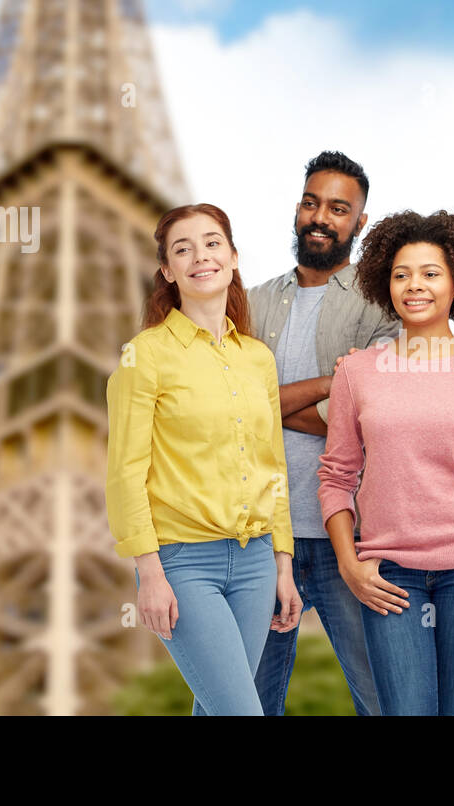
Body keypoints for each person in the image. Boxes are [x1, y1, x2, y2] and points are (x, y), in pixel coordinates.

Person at [317, 210, 454, 716]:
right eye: (401, 274)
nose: (415, 286)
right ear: (384, 284)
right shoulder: (357, 372)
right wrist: (349, 564)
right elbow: (335, 476)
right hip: (389, 574)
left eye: (431, 273)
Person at [106, 203, 301, 716]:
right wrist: (148, 571)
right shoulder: (143, 356)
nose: (201, 256)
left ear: (233, 257)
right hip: (184, 563)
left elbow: (272, 466)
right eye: (182, 248)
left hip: (257, 560)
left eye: (213, 243)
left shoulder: (257, 358)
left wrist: (283, 563)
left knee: (217, 708)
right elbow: (126, 471)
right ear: (168, 271)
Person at [248, 151, 397, 717]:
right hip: (259, 536)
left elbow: (364, 420)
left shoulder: (384, 304)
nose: (321, 216)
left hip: (351, 541)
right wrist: (333, 378)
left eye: (339, 208)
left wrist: (261, 404)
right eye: (311, 202)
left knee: (384, 699)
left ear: (359, 221)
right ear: (297, 208)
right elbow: (220, 408)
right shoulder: (251, 301)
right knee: (244, 703)